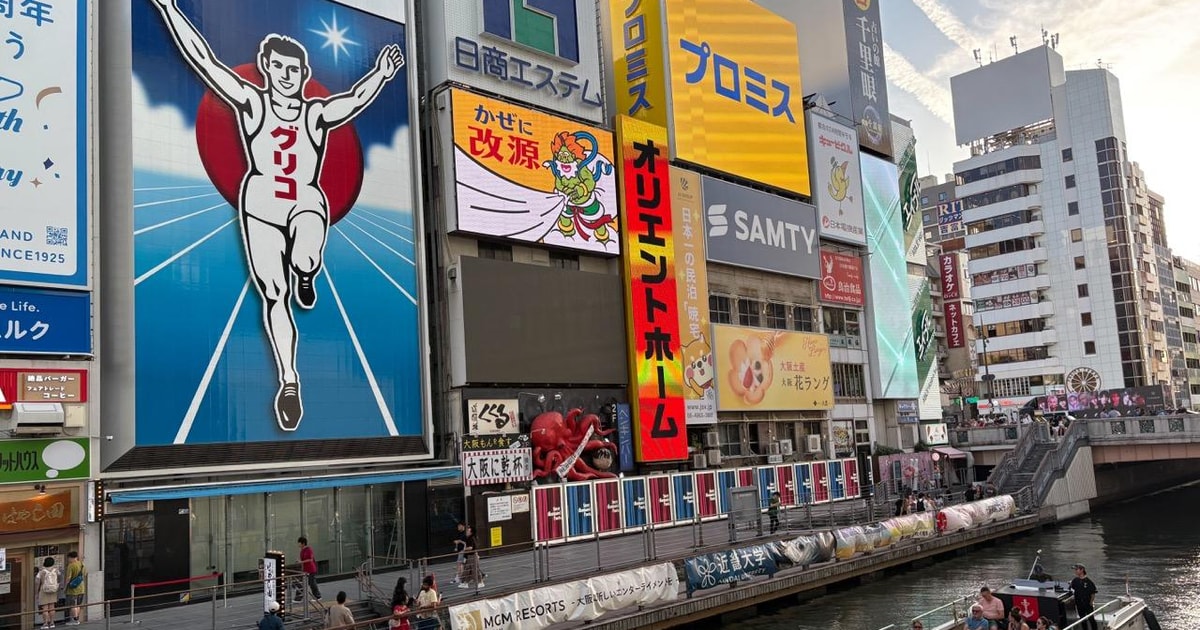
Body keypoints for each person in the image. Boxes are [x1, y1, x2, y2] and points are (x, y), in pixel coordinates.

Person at [149, 0, 405, 431]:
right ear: (266, 68)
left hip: (305, 198)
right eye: (279, 68)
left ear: (304, 75)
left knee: (305, 255)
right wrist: (170, 9)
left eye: (294, 69)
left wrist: (380, 72)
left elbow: (354, 100)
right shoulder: (251, 103)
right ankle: (289, 378)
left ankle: (307, 271)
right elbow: (204, 60)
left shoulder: (315, 114)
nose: (287, 76)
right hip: (261, 202)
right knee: (272, 293)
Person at [1069, 563, 1098, 630]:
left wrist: (1091, 602)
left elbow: (1093, 593)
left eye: (1077, 569)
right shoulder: (1075, 580)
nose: (1075, 571)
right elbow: (1072, 588)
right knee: (1082, 619)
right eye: (1075, 570)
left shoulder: (1089, 582)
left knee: (1091, 619)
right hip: (1079, 604)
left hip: (1087, 603)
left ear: (1082, 570)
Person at [36, 556, 59, 630]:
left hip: (44, 590)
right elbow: (59, 578)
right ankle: (52, 623)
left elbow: (37, 582)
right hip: (53, 590)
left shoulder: (42, 571)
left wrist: (36, 592)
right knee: (52, 607)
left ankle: (45, 623)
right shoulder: (56, 570)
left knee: (45, 608)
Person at [296, 536, 322, 602]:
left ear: (303, 543)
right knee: (301, 583)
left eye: (299, 543)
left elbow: (310, 559)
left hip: (311, 569)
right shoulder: (302, 551)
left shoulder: (309, 549)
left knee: (312, 583)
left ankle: (317, 596)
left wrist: (301, 562)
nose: (298, 544)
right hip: (305, 570)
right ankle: (298, 598)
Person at [64, 551, 85, 626]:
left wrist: (65, 587)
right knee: (78, 604)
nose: (68, 560)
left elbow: (68, 577)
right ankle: (77, 619)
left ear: (71, 558)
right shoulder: (82, 564)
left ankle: (74, 619)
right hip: (81, 588)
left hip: (72, 589)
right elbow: (84, 574)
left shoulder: (71, 565)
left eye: (69, 558)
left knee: (73, 605)